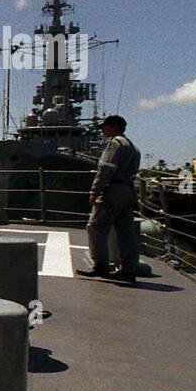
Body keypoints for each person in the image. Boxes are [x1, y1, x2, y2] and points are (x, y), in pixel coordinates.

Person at [77, 114, 141, 282]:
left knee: (96, 227)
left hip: (113, 190)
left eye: (105, 127)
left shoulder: (114, 143)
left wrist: (95, 191)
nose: (103, 131)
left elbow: (106, 168)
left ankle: (100, 266)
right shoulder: (134, 147)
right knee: (126, 231)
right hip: (127, 191)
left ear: (114, 127)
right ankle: (129, 269)